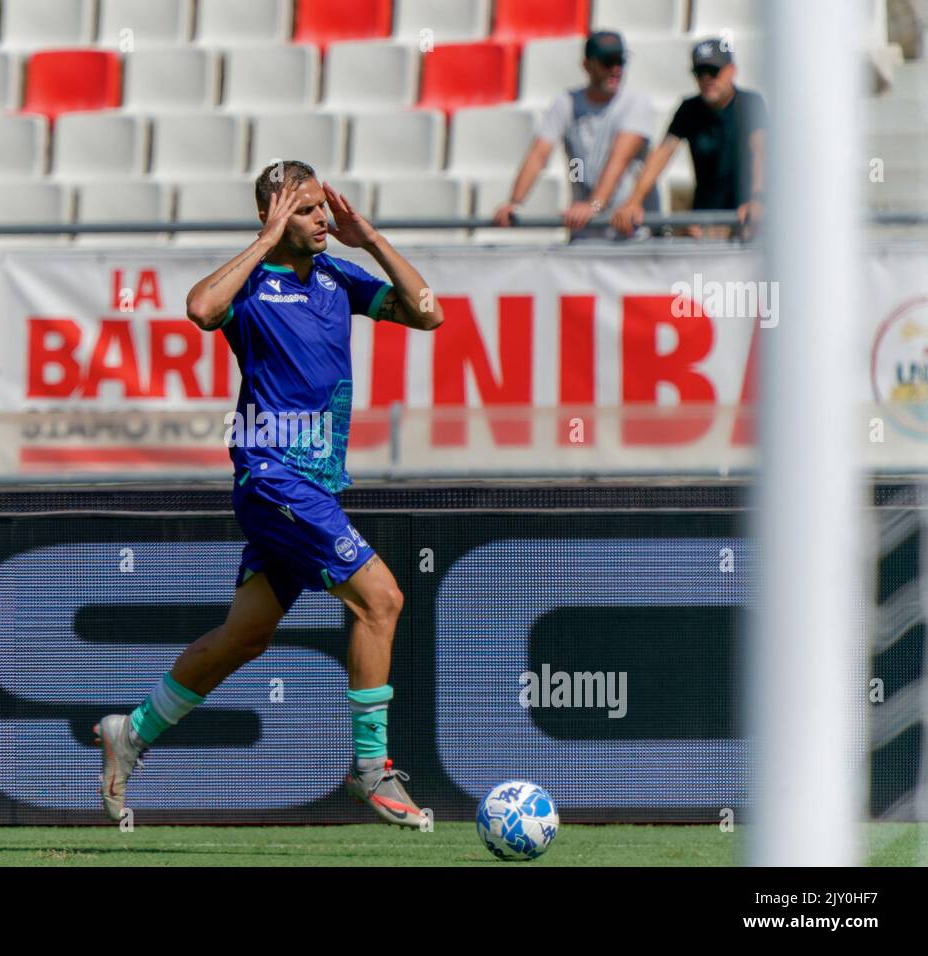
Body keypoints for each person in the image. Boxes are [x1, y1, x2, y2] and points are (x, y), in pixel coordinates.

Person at [93, 160, 444, 829]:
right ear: (273, 215)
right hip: (273, 478)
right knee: (383, 600)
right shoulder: (253, 283)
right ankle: (372, 768)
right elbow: (199, 308)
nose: (321, 220)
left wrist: (368, 239)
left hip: (313, 485)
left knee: (243, 638)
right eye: (306, 210)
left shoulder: (340, 277)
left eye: (321, 209)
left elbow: (430, 314)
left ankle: (131, 734)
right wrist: (264, 238)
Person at [493, 30, 658, 238]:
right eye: (608, 62)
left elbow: (620, 160)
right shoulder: (566, 102)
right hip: (586, 231)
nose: (616, 69)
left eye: (621, 61)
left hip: (632, 233)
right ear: (587, 65)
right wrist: (514, 203)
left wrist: (594, 206)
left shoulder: (636, 103)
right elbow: (539, 154)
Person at [611, 38, 767, 237]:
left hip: (745, 219)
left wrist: (758, 200)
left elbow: (761, 152)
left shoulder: (749, 103)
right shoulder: (689, 109)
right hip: (705, 222)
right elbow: (662, 153)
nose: (706, 79)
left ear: (731, 71)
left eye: (713, 72)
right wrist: (633, 202)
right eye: (700, 73)